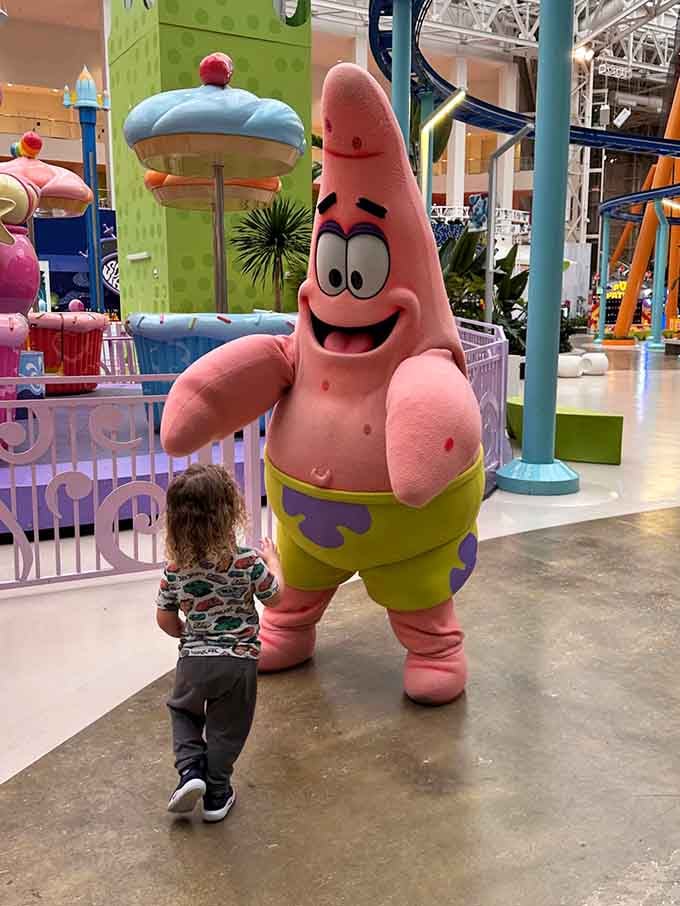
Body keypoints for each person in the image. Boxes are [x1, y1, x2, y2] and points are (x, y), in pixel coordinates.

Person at [156, 464, 283, 822]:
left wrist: (190, 636)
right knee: (228, 727)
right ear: (230, 511)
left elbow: (165, 619)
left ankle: (190, 772)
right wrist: (273, 561)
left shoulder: (175, 569)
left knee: (184, 711)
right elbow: (275, 598)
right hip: (239, 661)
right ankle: (216, 793)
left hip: (194, 661)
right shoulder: (246, 561)